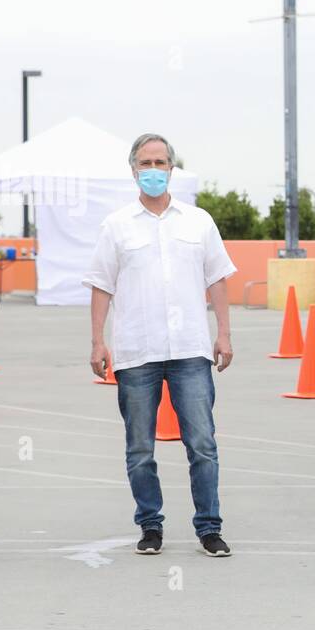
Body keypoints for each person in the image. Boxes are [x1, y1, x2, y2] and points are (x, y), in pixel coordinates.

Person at [83, 133, 237, 557]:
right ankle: (150, 525)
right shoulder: (116, 226)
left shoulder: (198, 221)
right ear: (133, 170)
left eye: (161, 162)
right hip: (137, 352)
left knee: (202, 444)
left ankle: (209, 527)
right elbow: (101, 285)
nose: (154, 170)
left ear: (172, 168)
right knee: (139, 448)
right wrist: (98, 341)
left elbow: (217, 278)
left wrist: (223, 333)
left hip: (191, 349)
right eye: (146, 163)